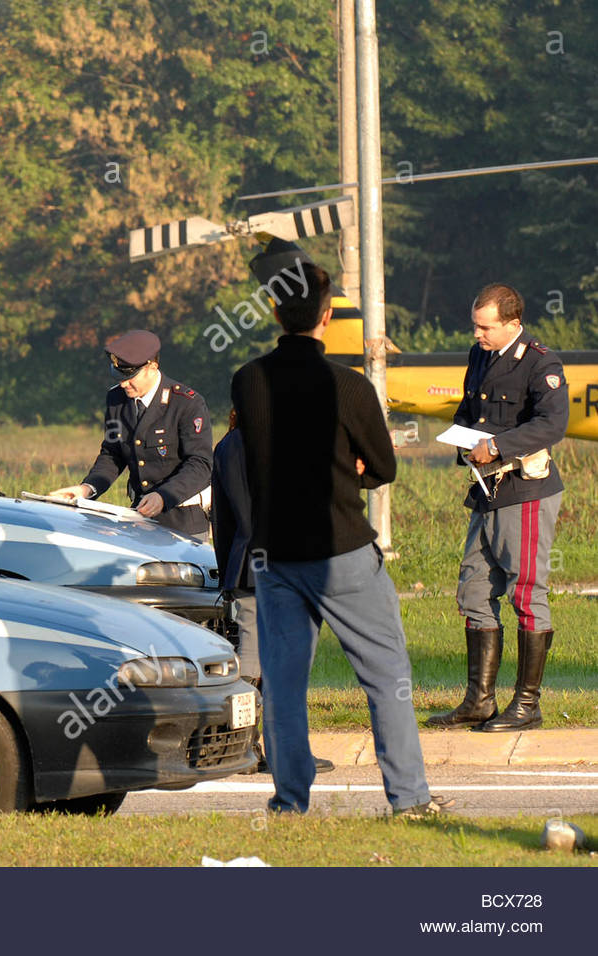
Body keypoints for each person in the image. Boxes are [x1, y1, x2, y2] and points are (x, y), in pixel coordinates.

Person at [231, 259, 448, 817]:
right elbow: (384, 466)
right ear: (327, 316)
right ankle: (409, 799)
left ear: (275, 313)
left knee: (284, 686)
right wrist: (351, 468)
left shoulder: (248, 381)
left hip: (274, 555)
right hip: (341, 549)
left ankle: (289, 802)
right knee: (386, 676)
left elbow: (259, 458)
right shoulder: (349, 386)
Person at [427, 284, 568, 732]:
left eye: (485, 327)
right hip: (487, 489)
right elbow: (470, 410)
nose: (477, 334)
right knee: (473, 592)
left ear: (513, 323)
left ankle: (527, 705)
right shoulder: (480, 355)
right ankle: (479, 701)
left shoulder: (541, 362)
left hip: (525, 490)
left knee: (525, 593)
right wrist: (463, 441)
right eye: (475, 325)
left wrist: (497, 447)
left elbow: (553, 424)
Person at [211, 408, 333, 775]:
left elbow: (222, 519)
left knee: (253, 657)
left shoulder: (228, 445)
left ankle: (243, 747)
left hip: (247, 564)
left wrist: (230, 571)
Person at [51, 329, 211, 536]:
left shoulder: (186, 403)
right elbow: (112, 454)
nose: (123, 383)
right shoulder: (116, 399)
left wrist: (163, 496)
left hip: (183, 522)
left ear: (152, 367)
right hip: (138, 521)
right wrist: (87, 489)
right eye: (119, 376)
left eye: (130, 376)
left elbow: (200, 464)